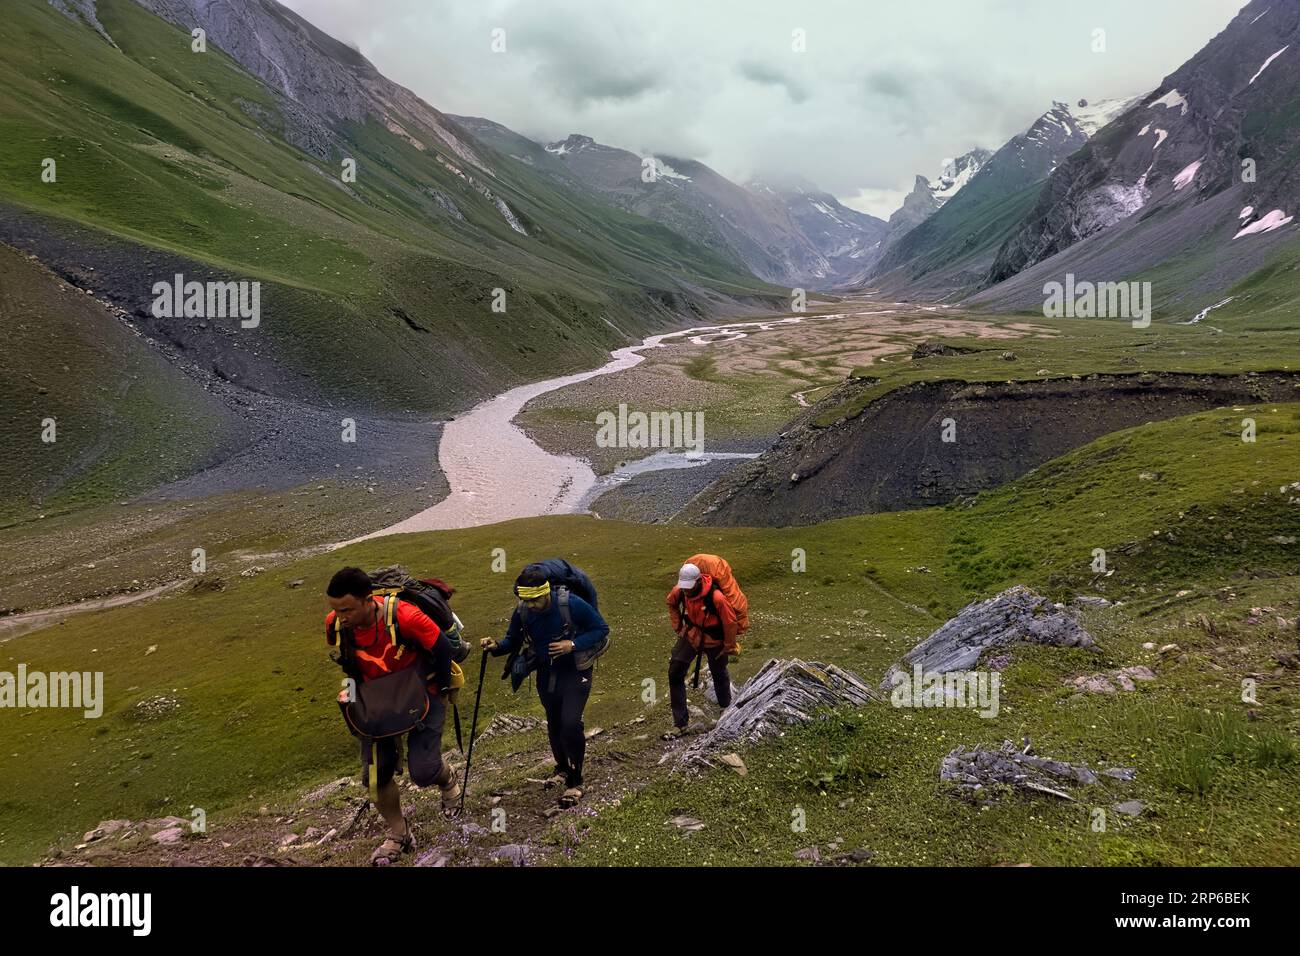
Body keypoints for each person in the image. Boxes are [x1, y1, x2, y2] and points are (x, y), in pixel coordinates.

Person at [325, 567, 460, 865]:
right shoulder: (335, 624)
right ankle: (399, 833)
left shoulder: (407, 617)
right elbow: (348, 662)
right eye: (335, 609)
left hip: (422, 692)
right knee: (375, 777)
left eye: (346, 609)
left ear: (367, 599)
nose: (340, 616)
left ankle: (447, 777)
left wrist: (440, 687)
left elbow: (442, 649)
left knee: (423, 772)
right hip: (376, 701)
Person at [480, 566, 609, 806]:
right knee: (554, 722)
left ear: (546, 592)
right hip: (546, 673)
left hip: (575, 670)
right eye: (526, 600)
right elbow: (513, 640)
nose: (531, 606)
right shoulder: (523, 610)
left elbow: (601, 630)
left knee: (570, 723)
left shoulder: (570, 604)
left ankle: (575, 782)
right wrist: (495, 646)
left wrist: (572, 644)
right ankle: (561, 768)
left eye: (535, 600)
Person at [664, 562, 738, 738]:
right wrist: (678, 626)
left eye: (689, 588)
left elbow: (730, 623)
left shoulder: (717, 597)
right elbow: (671, 603)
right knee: (675, 672)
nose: (686, 591)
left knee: (718, 672)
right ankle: (680, 724)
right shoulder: (680, 590)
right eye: (684, 588)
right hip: (691, 634)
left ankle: (725, 711)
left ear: (698, 581)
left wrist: (728, 646)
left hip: (714, 639)